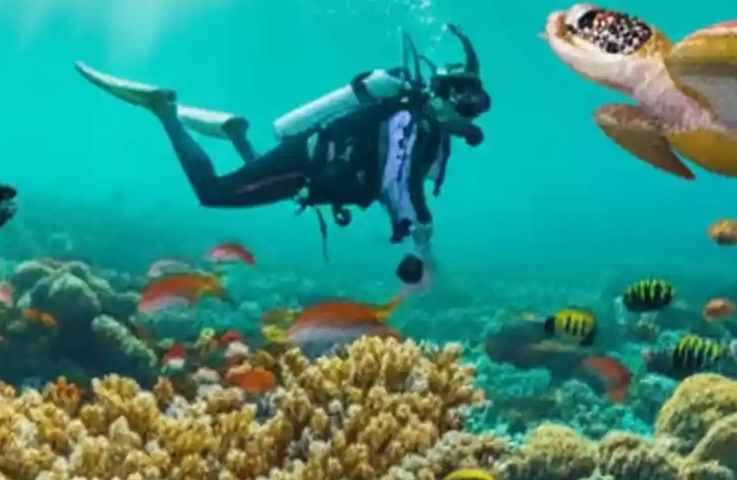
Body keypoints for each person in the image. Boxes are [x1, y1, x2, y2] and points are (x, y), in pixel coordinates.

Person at [75, 23, 491, 289]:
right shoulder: (410, 121)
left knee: (262, 177)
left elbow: (394, 175)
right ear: (450, 94)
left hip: (306, 166)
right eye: (469, 103)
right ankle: (165, 111)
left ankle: (236, 135)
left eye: (476, 107)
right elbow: (398, 181)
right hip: (303, 166)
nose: (471, 113)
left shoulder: (420, 123)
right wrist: (416, 236)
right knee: (213, 193)